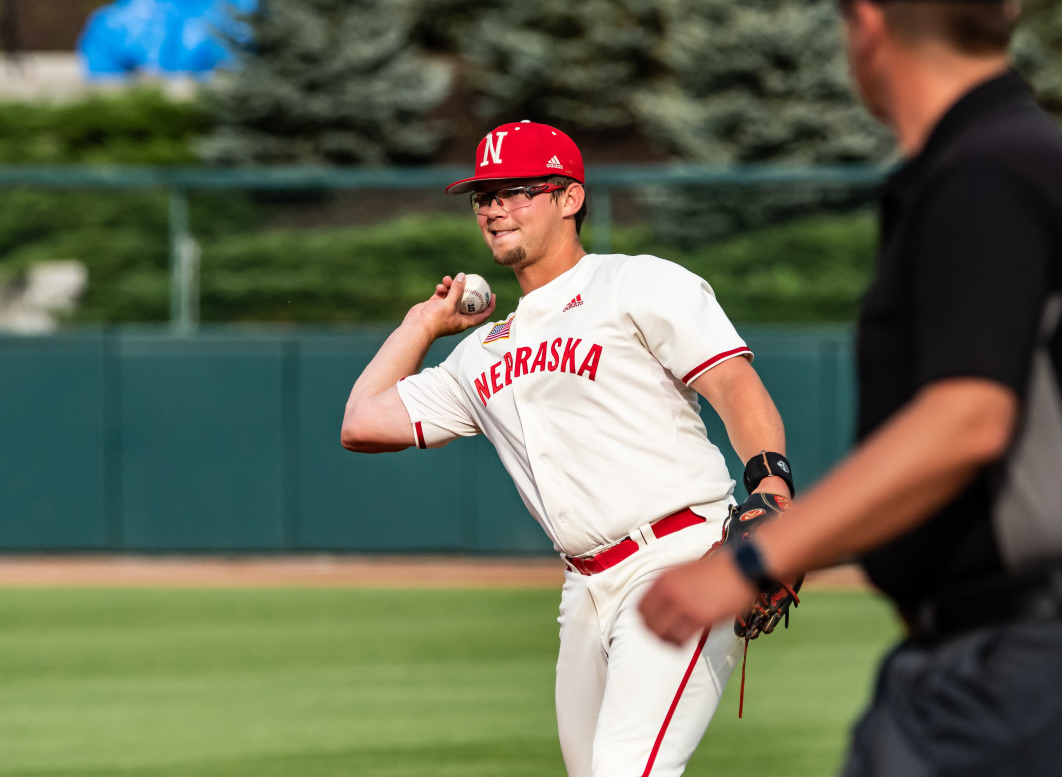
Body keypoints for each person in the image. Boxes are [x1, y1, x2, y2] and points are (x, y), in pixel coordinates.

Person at [639, 0, 1062, 775]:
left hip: (1030, 657)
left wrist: (756, 559)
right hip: (1035, 651)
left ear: (867, 22)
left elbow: (967, 419)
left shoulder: (988, 175)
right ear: (1004, 16)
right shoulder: (1020, 161)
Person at [340, 120, 794, 777]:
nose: (495, 208)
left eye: (516, 190)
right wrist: (423, 324)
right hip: (583, 587)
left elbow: (731, 382)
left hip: (678, 554)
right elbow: (361, 421)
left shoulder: (634, 284)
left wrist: (771, 487)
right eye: (484, 196)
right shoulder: (478, 355)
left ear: (569, 198)